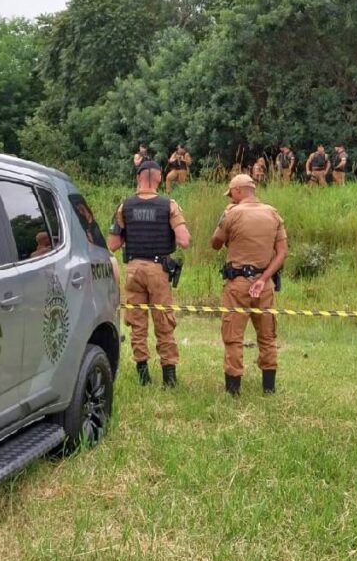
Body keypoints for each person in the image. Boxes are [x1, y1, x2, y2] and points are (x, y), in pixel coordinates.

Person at [109, 160, 191, 387]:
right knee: (164, 321)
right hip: (158, 269)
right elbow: (184, 240)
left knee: (137, 323)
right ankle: (169, 377)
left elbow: (113, 244)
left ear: (138, 177)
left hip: (133, 269)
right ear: (157, 177)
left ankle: (143, 376)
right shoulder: (169, 205)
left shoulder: (124, 206)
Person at [210, 173, 288, 396]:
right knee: (267, 337)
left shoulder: (231, 213)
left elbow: (215, 244)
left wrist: (224, 217)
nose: (231, 198)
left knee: (233, 337)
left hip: (237, 284)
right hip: (265, 285)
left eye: (231, 193)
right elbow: (282, 252)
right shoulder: (273, 214)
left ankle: (233, 391)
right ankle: (269, 389)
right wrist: (263, 279)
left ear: (238, 191)